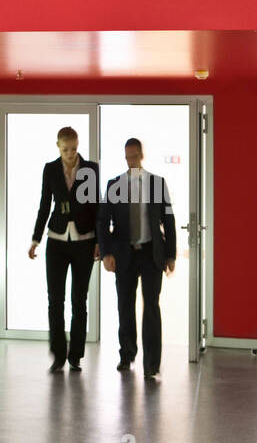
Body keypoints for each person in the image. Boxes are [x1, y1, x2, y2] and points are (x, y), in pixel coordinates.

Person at [97, 137, 176, 379]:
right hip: (124, 254)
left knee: (151, 307)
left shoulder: (157, 184)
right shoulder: (114, 185)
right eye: (127, 157)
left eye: (134, 156)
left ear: (142, 155)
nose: (131, 161)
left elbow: (168, 220)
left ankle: (152, 364)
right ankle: (127, 354)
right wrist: (106, 253)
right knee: (125, 306)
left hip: (152, 253)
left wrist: (171, 254)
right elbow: (103, 221)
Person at [29, 126, 100, 373]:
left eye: (74, 149)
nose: (70, 154)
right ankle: (58, 354)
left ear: (78, 145)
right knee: (55, 300)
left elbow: (96, 207)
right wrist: (35, 239)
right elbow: (44, 204)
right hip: (57, 239)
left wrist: (100, 241)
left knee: (79, 300)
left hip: (85, 240)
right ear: (58, 146)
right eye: (65, 149)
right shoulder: (50, 169)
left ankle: (75, 355)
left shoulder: (91, 169)